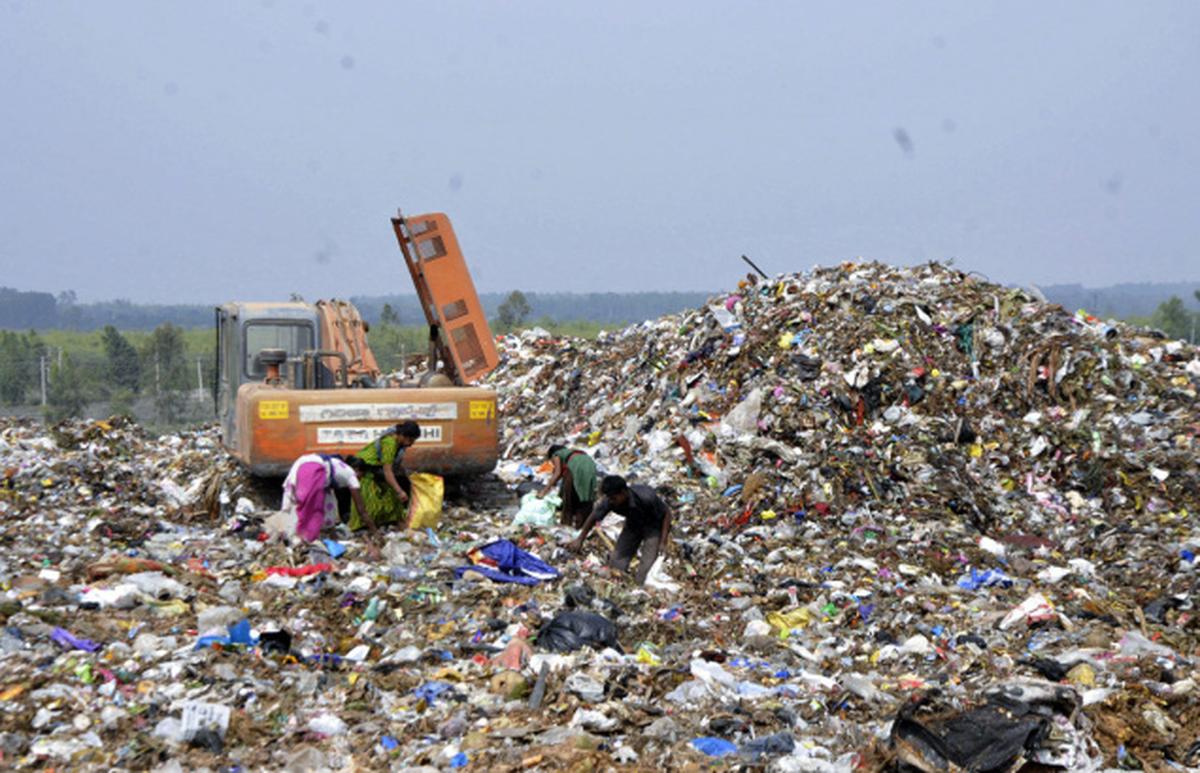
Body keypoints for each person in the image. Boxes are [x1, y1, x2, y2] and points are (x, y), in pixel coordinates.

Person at [568, 475, 672, 585]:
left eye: (613, 498)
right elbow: (594, 517)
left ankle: (639, 588)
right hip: (633, 525)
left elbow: (667, 513)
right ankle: (619, 586)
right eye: (609, 498)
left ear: (623, 492)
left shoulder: (645, 497)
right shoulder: (609, 501)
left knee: (646, 568)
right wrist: (580, 539)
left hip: (653, 527)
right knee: (616, 562)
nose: (611, 501)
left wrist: (663, 541)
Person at [280, 453, 381, 557]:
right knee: (312, 510)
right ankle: (304, 539)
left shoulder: (338, 466)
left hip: (302, 464)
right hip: (314, 469)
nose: (360, 479)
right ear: (357, 469)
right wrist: (375, 531)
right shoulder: (351, 475)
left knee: (303, 504)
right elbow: (361, 510)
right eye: (362, 475)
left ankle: (298, 536)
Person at [346, 420, 421, 532]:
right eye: (410, 440)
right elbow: (388, 472)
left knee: (393, 500)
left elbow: (393, 466)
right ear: (402, 435)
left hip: (376, 471)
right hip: (364, 472)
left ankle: (394, 525)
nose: (410, 444)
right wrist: (400, 491)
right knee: (369, 505)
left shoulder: (397, 443)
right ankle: (364, 529)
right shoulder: (390, 444)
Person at [539, 444, 597, 527]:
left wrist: (544, 491)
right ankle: (583, 526)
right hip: (590, 465)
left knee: (568, 499)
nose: (553, 463)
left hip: (576, 466)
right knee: (585, 497)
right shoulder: (573, 453)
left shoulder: (556, 454)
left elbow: (557, 473)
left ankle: (566, 526)